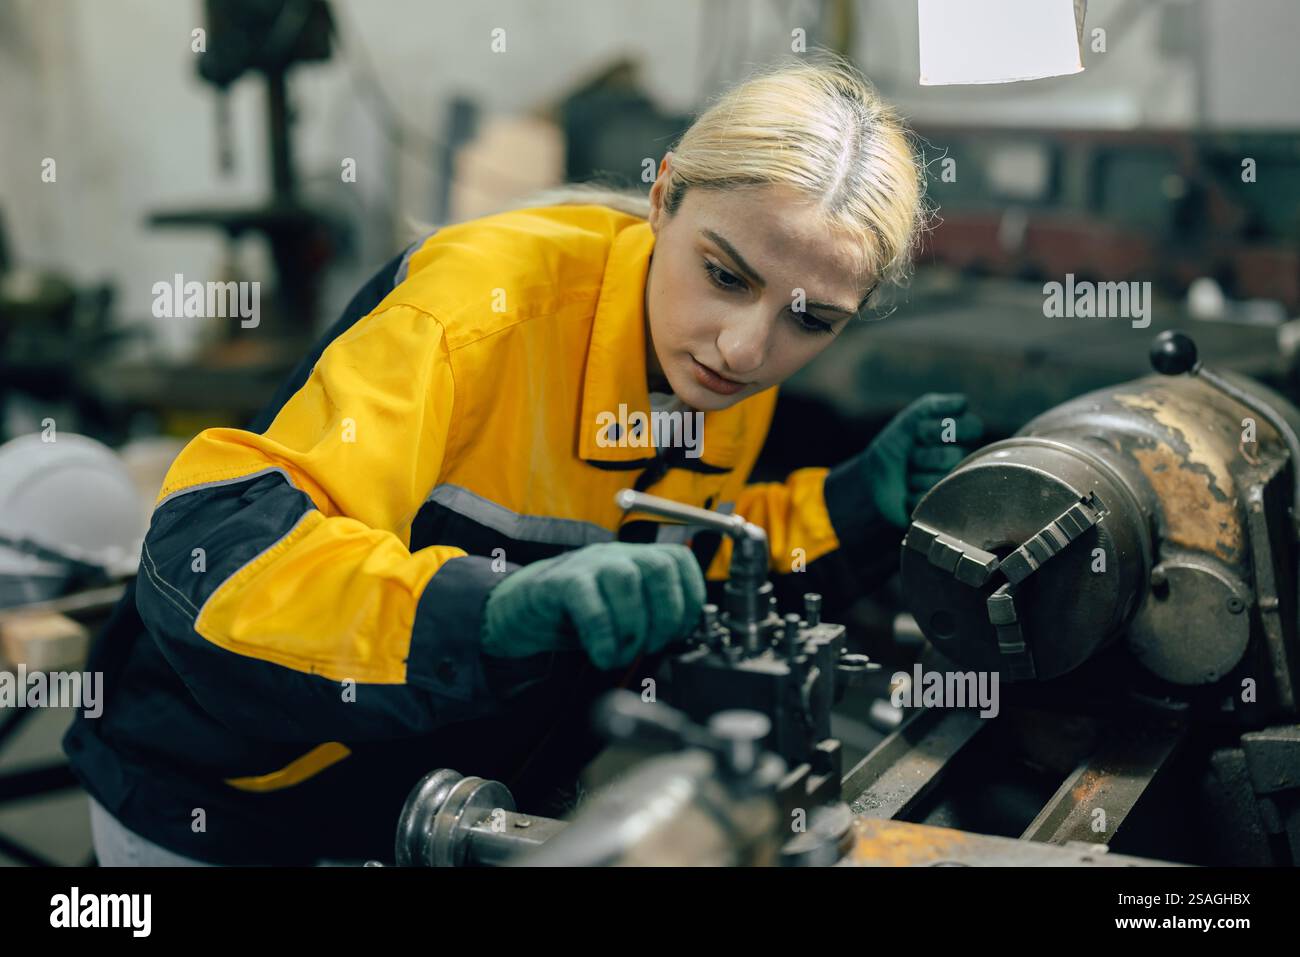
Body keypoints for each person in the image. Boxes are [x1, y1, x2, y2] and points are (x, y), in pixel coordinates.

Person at [64, 54, 983, 865]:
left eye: (811, 319)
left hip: (438, 807)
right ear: (664, 198)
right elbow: (216, 553)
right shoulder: (476, 311)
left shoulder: (716, 362)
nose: (746, 349)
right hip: (233, 800)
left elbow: (684, 564)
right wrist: (483, 613)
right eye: (725, 275)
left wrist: (858, 502)